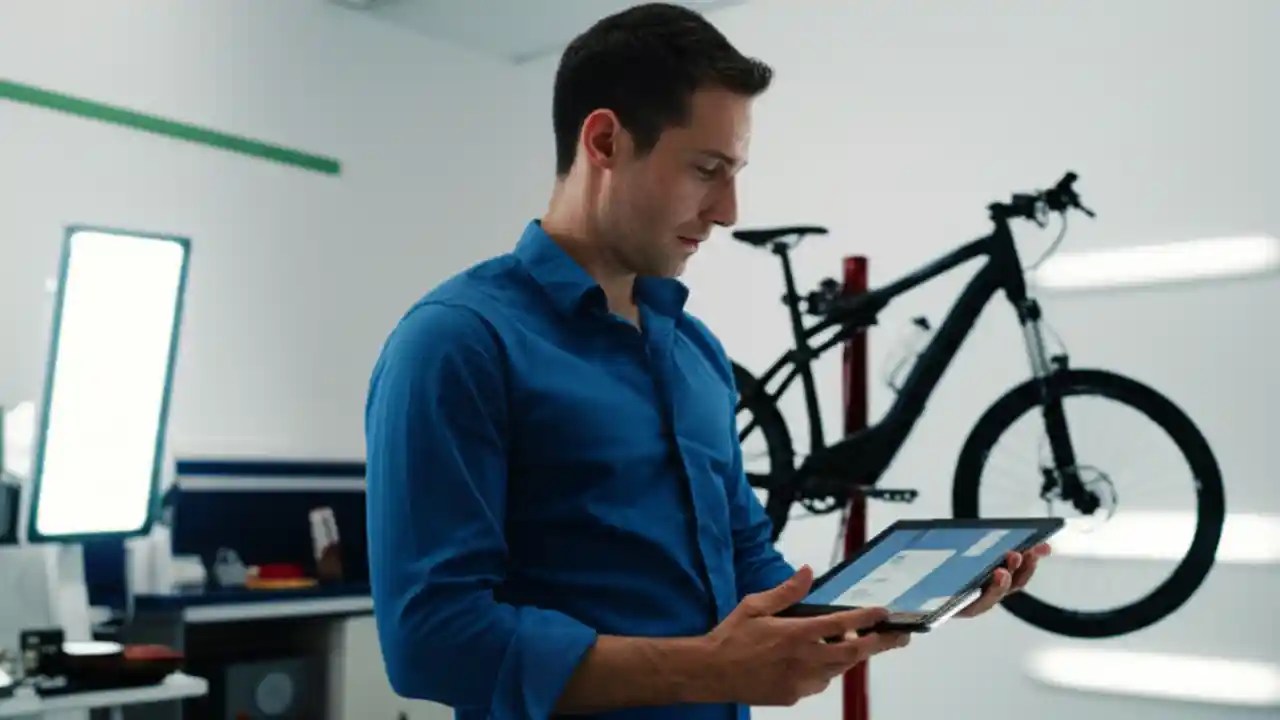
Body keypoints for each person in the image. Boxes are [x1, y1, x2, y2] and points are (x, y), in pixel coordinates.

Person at [363, 4, 1051, 720]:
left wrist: (899, 605)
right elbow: (431, 641)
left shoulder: (694, 351)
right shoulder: (456, 343)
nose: (728, 209)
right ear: (604, 141)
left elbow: (750, 562)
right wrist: (706, 669)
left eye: (735, 172)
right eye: (707, 170)